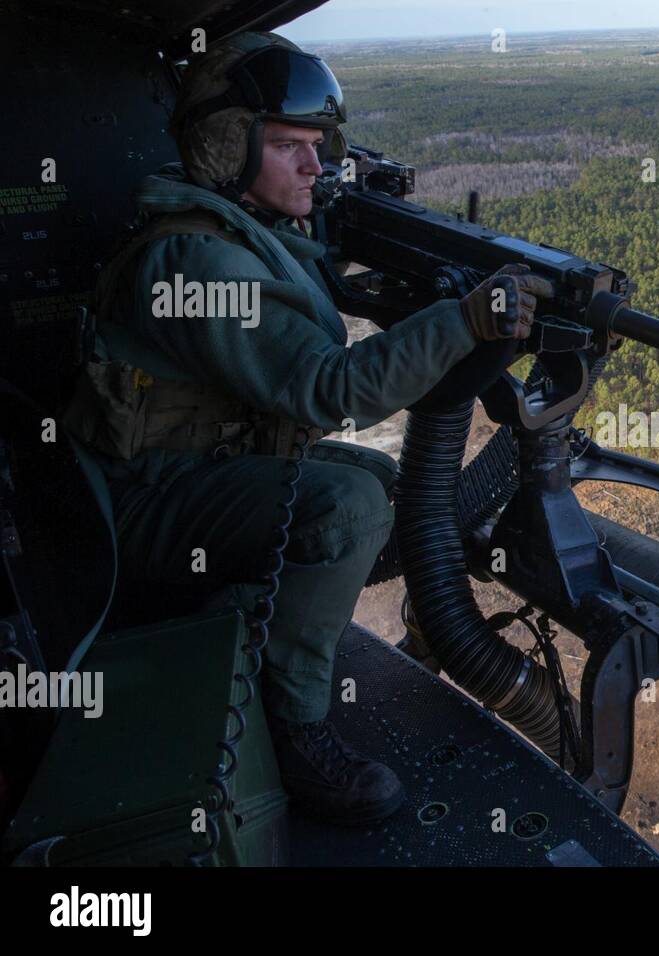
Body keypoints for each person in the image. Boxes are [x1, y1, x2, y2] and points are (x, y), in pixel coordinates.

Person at [61, 31, 553, 825]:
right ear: (227, 147)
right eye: (290, 147)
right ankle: (296, 730)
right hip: (137, 512)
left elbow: (306, 302)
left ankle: (359, 626)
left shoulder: (243, 229)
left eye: (319, 147)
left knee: (383, 486)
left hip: (189, 476)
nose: (315, 168)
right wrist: (464, 319)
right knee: (347, 507)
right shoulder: (193, 264)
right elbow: (329, 389)